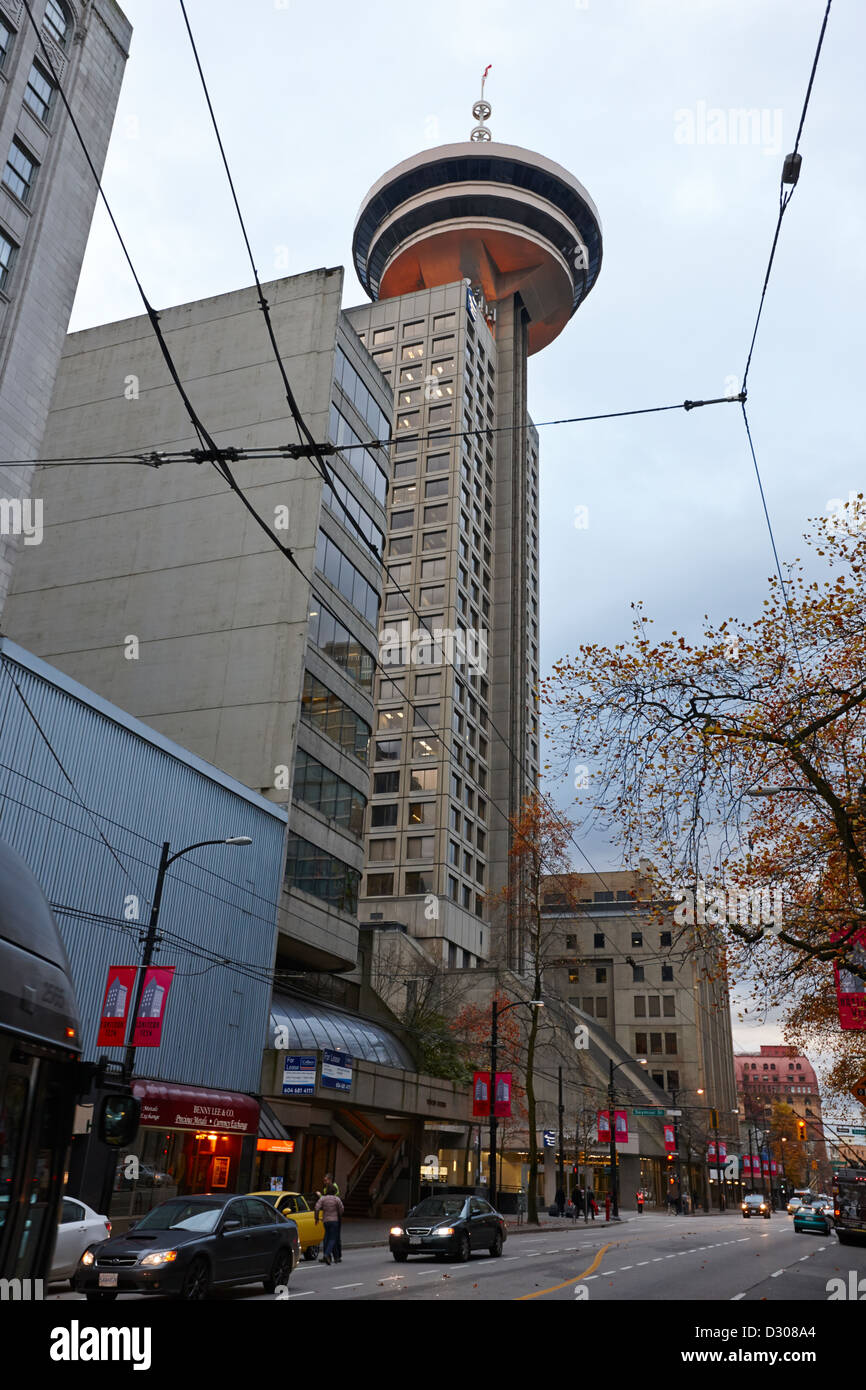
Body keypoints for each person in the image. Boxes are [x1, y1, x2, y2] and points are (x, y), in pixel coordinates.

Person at [314, 1184, 344, 1266]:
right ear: (334, 1191)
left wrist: (316, 1218)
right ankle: (327, 1254)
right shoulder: (336, 1199)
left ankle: (334, 1257)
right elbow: (341, 1208)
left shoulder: (323, 1199)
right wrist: (339, 1214)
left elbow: (316, 1208)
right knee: (332, 1238)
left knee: (326, 1237)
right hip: (334, 1221)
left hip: (326, 1221)